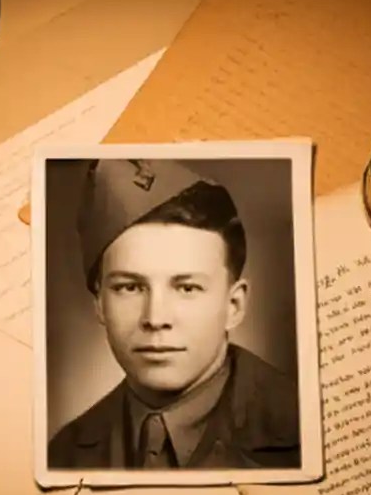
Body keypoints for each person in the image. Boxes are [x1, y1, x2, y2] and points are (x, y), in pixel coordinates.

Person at [48, 158, 301, 470]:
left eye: (187, 288)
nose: (155, 318)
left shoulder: (304, 428)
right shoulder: (63, 454)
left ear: (234, 306)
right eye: (130, 287)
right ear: (99, 304)